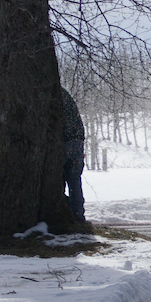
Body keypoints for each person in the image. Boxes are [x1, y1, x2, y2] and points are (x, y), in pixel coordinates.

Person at [60, 86, 86, 221]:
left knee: (57, 179)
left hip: (63, 141)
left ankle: (63, 213)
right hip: (77, 141)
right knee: (75, 181)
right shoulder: (65, 95)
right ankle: (77, 214)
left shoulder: (51, 94)